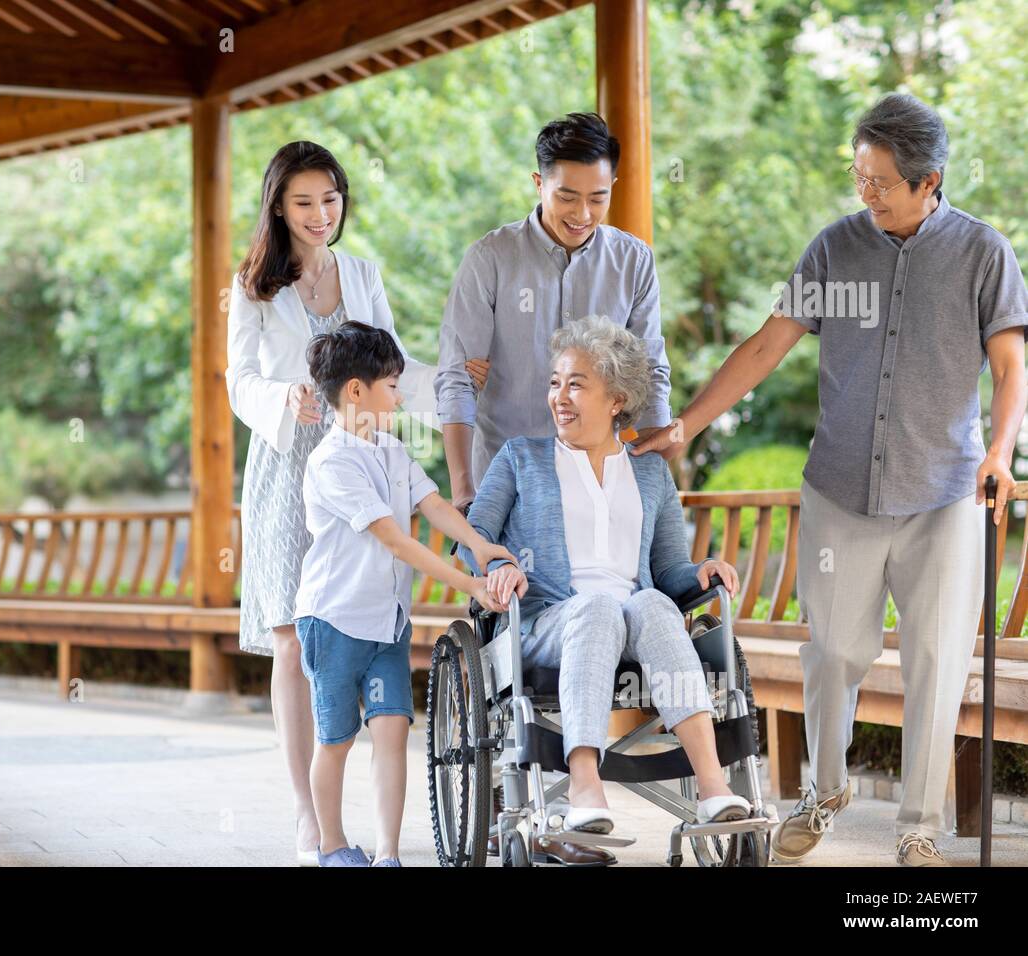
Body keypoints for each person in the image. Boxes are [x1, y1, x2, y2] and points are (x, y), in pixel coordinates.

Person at [632, 93, 1028, 866]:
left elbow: (1013, 365)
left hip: (945, 490)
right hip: (841, 488)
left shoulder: (984, 254)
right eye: (857, 173)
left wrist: (1001, 451)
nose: (864, 191)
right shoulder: (835, 249)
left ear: (929, 179)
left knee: (936, 659)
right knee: (836, 651)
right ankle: (824, 793)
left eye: (880, 179)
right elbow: (765, 346)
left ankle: (918, 827)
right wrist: (692, 422)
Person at [225, 141, 450, 865]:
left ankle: (372, 832)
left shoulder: (362, 274)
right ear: (278, 207)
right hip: (288, 461)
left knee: (356, 618)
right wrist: (283, 397)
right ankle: (309, 816)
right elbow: (238, 382)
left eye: (331, 199)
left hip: (360, 462)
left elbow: (391, 365)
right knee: (293, 634)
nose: (321, 215)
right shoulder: (254, 286)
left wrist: (457, 381)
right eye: (303, 202)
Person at [466, 316, 752, 838]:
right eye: (555, 382)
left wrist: (701, 570)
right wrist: (500, 563)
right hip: (548, 624)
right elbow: (474, 536)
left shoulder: (649, 472)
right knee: (597, 607)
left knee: (652, 604)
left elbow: (667, 571)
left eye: (576, 383)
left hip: (639, 626)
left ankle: (713, 786)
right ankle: (584, 784)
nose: (559, 396)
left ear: (616, 399)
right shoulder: (520, 459)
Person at [292, 321, 513, 866]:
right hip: (334, 621)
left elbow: (433, 505)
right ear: (357, 391)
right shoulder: (331, 462)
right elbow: (393, 538)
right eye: (393, 384)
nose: (400, 394)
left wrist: (481, 548)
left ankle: (388, 852)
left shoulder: (391, 451)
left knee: (391, 732)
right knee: (337, 739)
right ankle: (332, 845)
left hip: (387, 623)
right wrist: (467, 584)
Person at [436, 111, 674, 515]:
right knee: (504, 581)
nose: (582, 214)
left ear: (612, 187)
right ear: (538, 183)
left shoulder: (634, 262)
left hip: (600, 485)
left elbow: (650, 373)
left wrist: (655, 482)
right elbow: (458, 380)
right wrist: (463, 492)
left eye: (598, 198)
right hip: (504, 488)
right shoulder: (489, 258)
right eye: (566, 196)